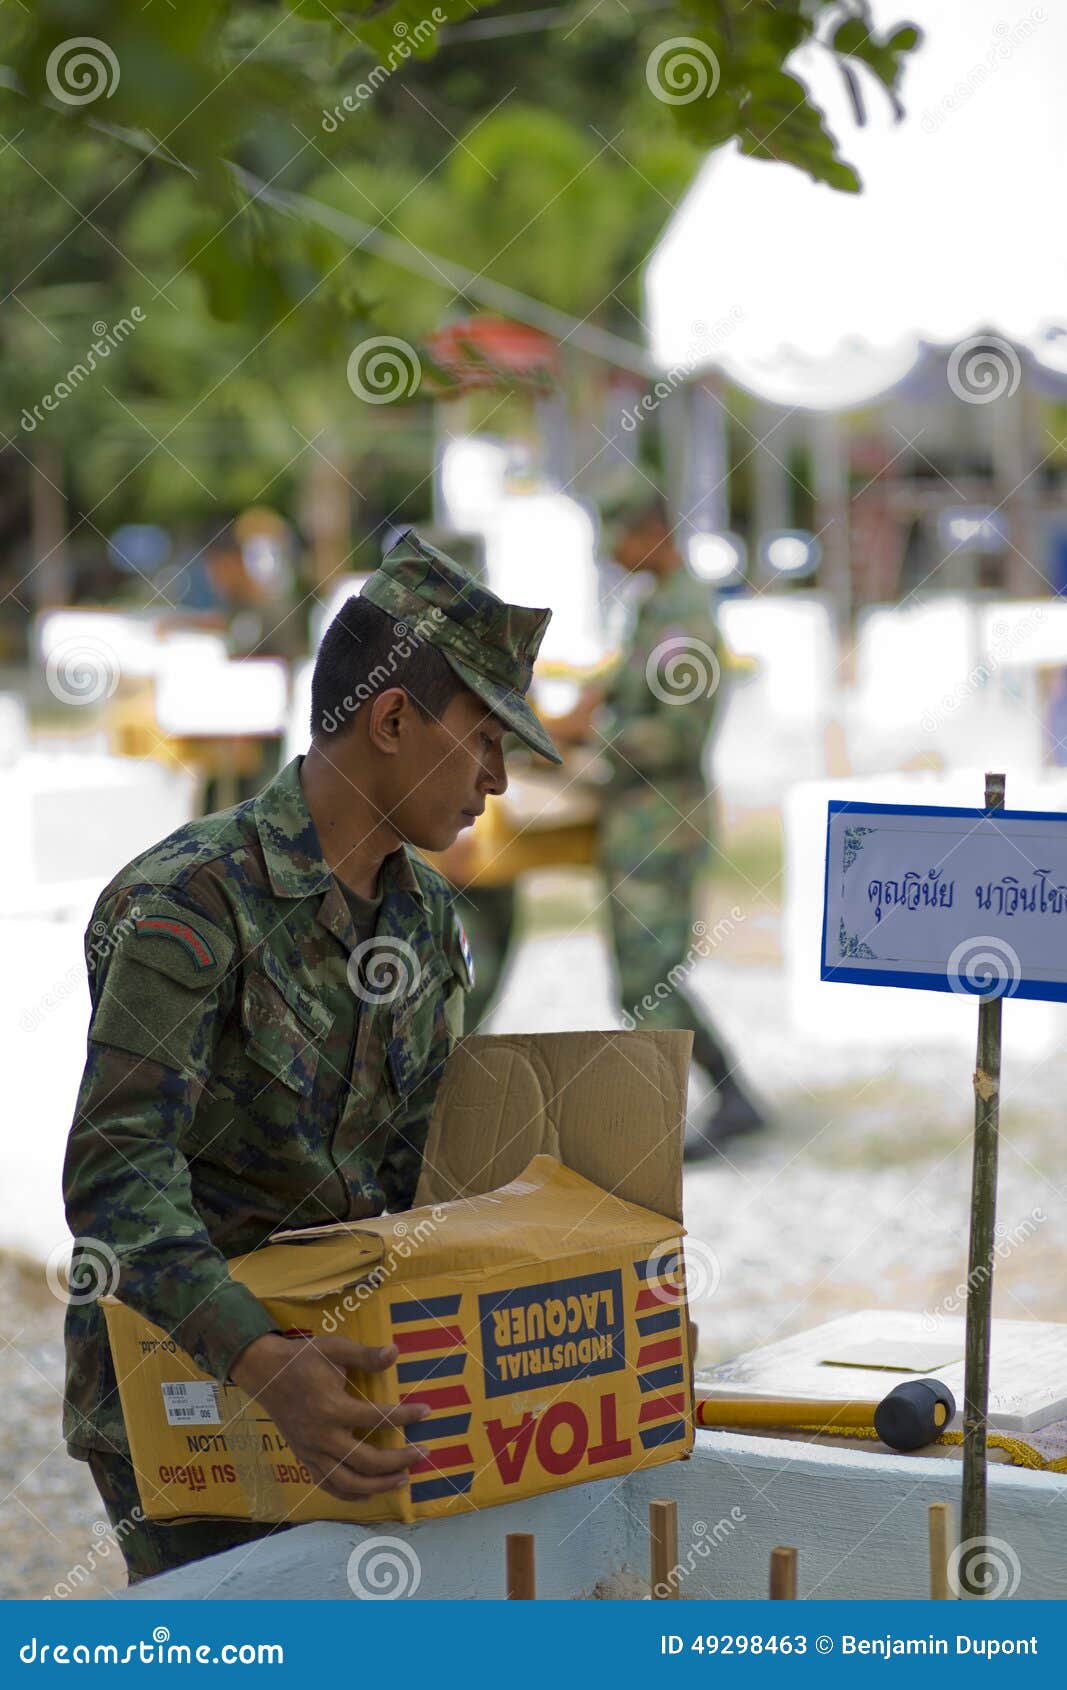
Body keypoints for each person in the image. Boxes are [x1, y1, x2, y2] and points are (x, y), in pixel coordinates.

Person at [61, 529, 561, 1583]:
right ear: (392, 719)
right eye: (483, 740)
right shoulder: (191, 902)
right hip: (189, 1385)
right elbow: (116, 1174)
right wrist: (259, 1360)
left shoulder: (425, 917)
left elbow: (425, 1171)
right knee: (247, 1637)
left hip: (352, 1369)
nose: (497, 780)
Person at [551, 494, 766, 1158]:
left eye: (620, 540)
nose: (614, 557)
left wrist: (589, 738)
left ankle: (713, 1105)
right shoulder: (653, 609)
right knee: (639, 979)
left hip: (663, 824)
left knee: (649, 980)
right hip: (634, 822)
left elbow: (679, 735)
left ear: (651, 532)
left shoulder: (685, 621)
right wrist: (588, 706)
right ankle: (727, 1099)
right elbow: (624, 683)